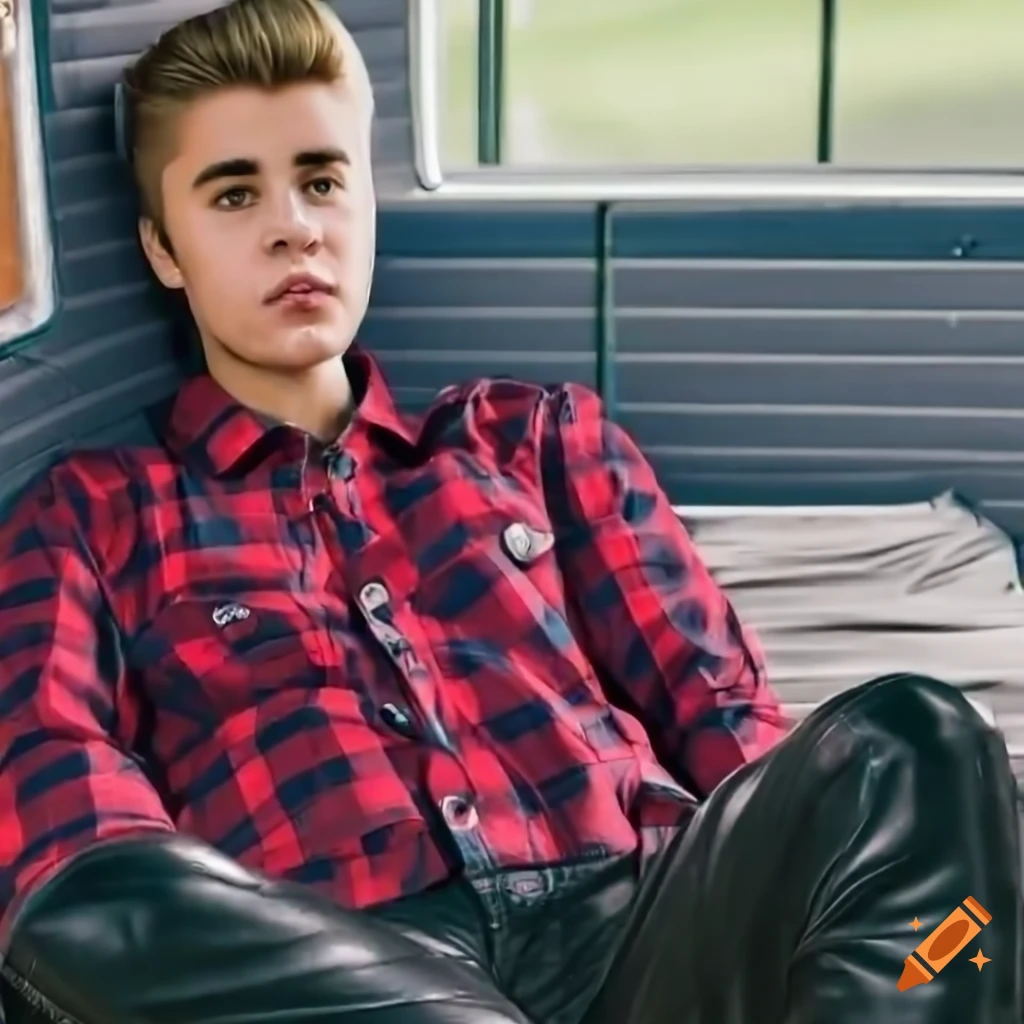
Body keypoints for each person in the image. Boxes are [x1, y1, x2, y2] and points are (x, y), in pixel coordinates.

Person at [0, 1, 1019, 1022]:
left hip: (638, 915)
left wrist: (799, 880)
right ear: (165, 249)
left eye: (321, 181)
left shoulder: (535, 437)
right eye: (234, 194)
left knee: (920, 736)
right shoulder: (92, 513)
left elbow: (720, 713)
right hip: (360, 964)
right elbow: (66, 810)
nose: (292, 225)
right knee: (104, 894)